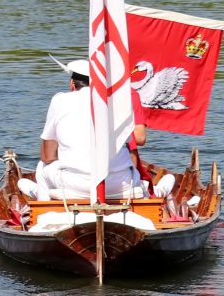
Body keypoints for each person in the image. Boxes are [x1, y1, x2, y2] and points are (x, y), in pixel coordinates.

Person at [36, 59, 148, 200]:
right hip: (121, 182)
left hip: (76, 184)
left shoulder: (59, 100)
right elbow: (131, 146)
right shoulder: (119, 101)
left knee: (42, 167)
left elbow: (47, 156)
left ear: (72, 84)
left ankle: (43, 208)